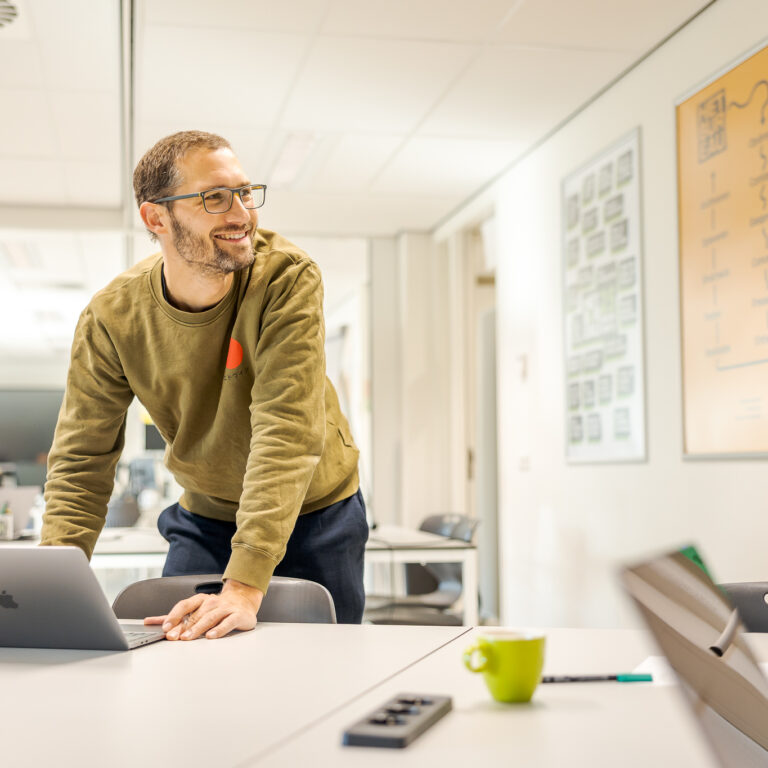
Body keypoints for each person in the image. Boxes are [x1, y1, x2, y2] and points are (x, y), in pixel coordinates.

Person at [41, 130, 368, 638]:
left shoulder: (286, 279)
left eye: (244, 192)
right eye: (215, 197)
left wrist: (244, 584)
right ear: (156, 218)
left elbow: (286, 432)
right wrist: (51, 584)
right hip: (208, 512)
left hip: (317, 509)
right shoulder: (113, 318)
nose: (241, 213)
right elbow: (83, 458)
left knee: (322, 674)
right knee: (178, 658)